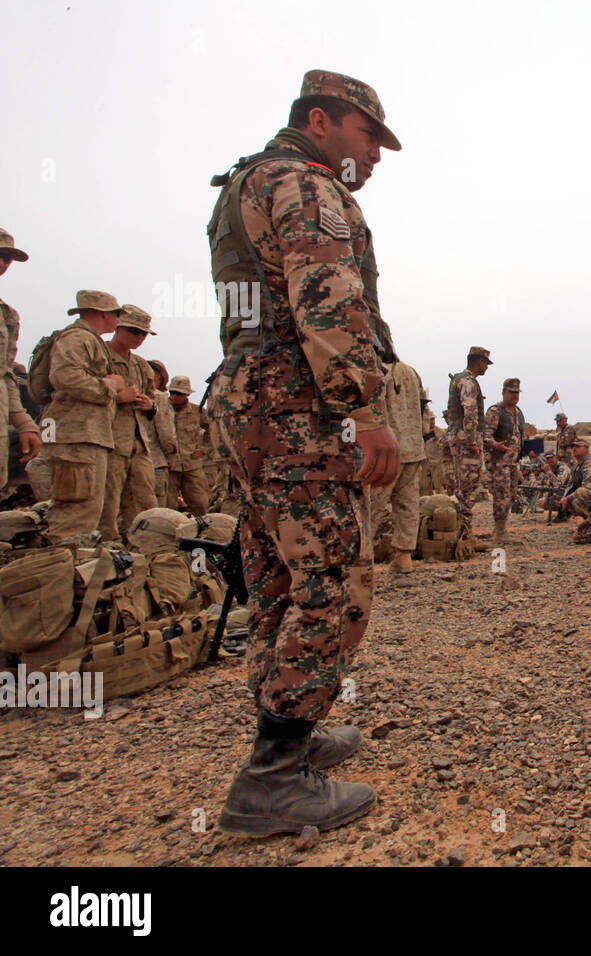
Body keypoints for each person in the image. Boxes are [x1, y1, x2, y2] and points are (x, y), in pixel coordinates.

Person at [206, 69, 401, 837]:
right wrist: (365, 409)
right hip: (298, 403)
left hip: (249, 395)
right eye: (368, 134)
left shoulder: (245, 183)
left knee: (277, 578)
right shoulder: (306, 184)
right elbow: (326, 299)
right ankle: (274, 777)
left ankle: (290, 730)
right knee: (334, 581)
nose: (376, 153)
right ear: (321, 121)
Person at [44, 290, 129, 543]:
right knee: (75, 515)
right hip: (76, 438)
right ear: (103, 313)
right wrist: (110, 386)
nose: (118, 320)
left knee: (86, 510)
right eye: (116, 314)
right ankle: (63, 563)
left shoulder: (89, 340)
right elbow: (65, 376)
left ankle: (72, 562)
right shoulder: (78, 338)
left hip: (86, 436)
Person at [98, 304, 159, 543]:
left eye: (144, 333)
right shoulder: (99, 355)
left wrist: (149, 406)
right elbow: (82, 391)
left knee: (144, 500)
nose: (140, 337)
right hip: (108, 440)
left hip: (138, 442)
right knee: (107, 501)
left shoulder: (141, 366)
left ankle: (145, 548)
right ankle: (107, 549)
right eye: (134, 331)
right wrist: (116, 396)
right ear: (118, 327)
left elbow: (153, 399)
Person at [373, 359, 425, 572]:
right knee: (407, 504)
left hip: (385, 450)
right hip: (413, 446)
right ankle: (404, 557)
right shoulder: (411, 371)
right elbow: (423, 406)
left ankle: (360, 557)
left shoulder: (374, 369)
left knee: (371, 506)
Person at [0, 228, 40, 493]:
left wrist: (23, 422)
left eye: (7, 258)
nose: (3, 263)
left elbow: (5, 375)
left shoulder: (7, 315)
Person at [447, 346, 492, 533]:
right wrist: (472, 441)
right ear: (479, 361)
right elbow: (470, 412)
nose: (487, 367)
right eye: (486, 363)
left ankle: (458, 528)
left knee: (461, 485)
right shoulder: (469, 382)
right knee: (469, 486)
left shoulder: (458, 379)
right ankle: (463, 531)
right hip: (466, 441)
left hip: (457, 438)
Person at [484, 377, 525, 543]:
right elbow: (485, 435)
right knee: (501, 496)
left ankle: (501, 529)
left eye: (517, 393)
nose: (514, 396)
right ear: (503, 392)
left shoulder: (518, 413)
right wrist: (495, 445)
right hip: (499, 463)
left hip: (513, 463)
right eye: (511, 392)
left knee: (511, 496)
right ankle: (500, 532)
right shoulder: (495, 411)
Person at [167, 376, 213, 516]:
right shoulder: (162, 409)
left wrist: (204, 450)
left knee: (200, 503)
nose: (175, 396)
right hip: (168, 465)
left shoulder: (197, 411)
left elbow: (212, 429)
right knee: (167, 506)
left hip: (191, 464)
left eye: (179, 393)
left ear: (187, 394)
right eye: (172, 392)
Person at [145, 360, 178, 509]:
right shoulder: (160, 398)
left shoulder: (131, 394)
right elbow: (165, 431)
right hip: (156, 461)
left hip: (128, 460)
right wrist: (171, 455)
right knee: (155, 512)